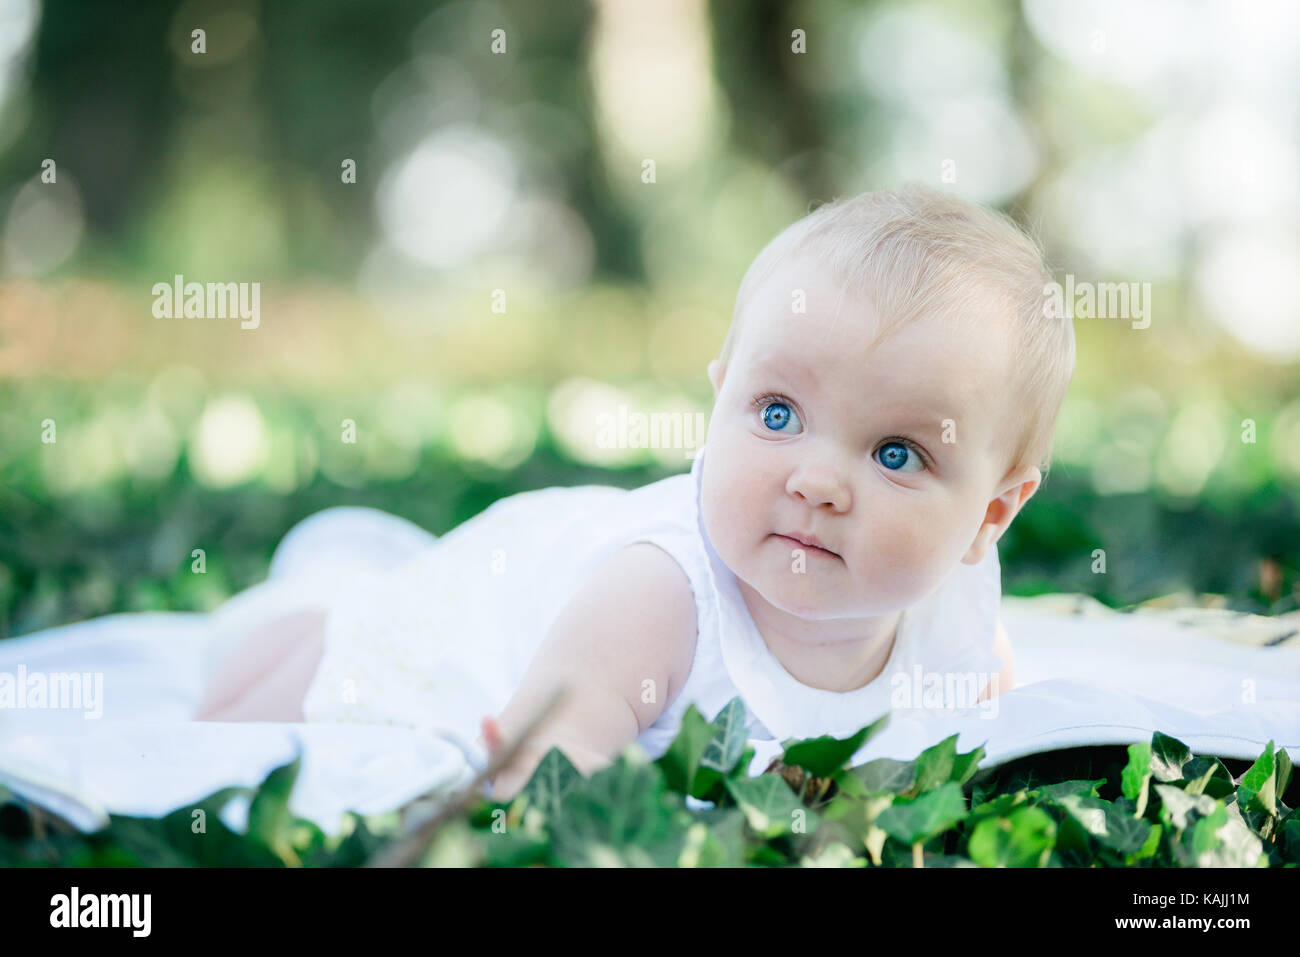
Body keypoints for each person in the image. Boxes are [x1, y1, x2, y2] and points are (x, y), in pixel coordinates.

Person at [195, 183, 1077, 802]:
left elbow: (985, 703)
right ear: (720, 390)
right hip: (493, 614)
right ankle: (317, 605)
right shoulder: (661, 593)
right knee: (245, 709)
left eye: (894, 452)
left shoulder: (956, 615)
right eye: (777, 412)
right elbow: (561, 734)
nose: (816, 480)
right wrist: (565, 771)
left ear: (990, 515)